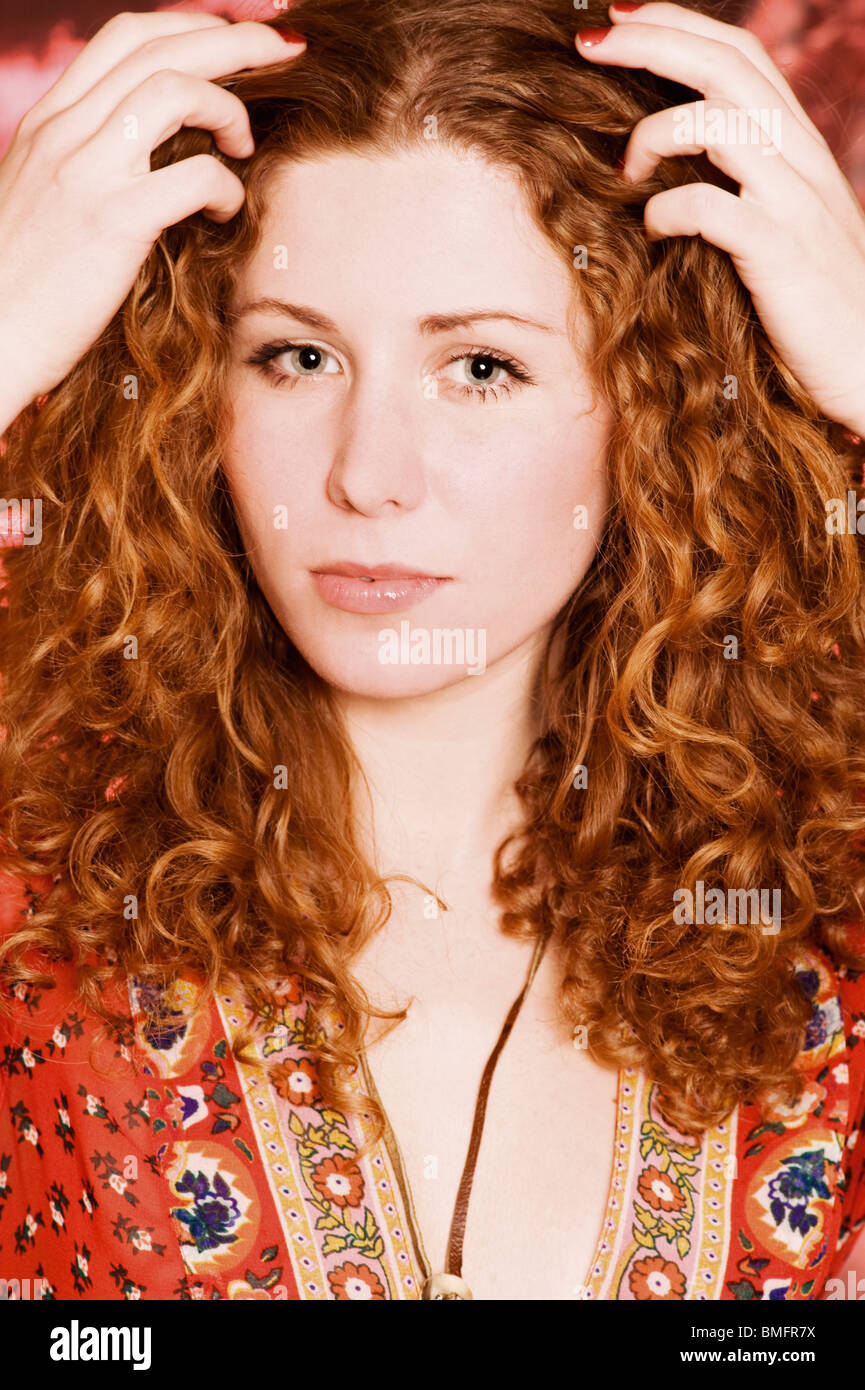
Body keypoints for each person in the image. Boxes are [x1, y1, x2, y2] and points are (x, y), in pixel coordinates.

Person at [1, 0, 865, 1303]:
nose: (365, 475)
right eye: (295, 355)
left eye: (478, 367)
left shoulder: (819, 932)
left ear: (656, 411)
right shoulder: (38, 893)